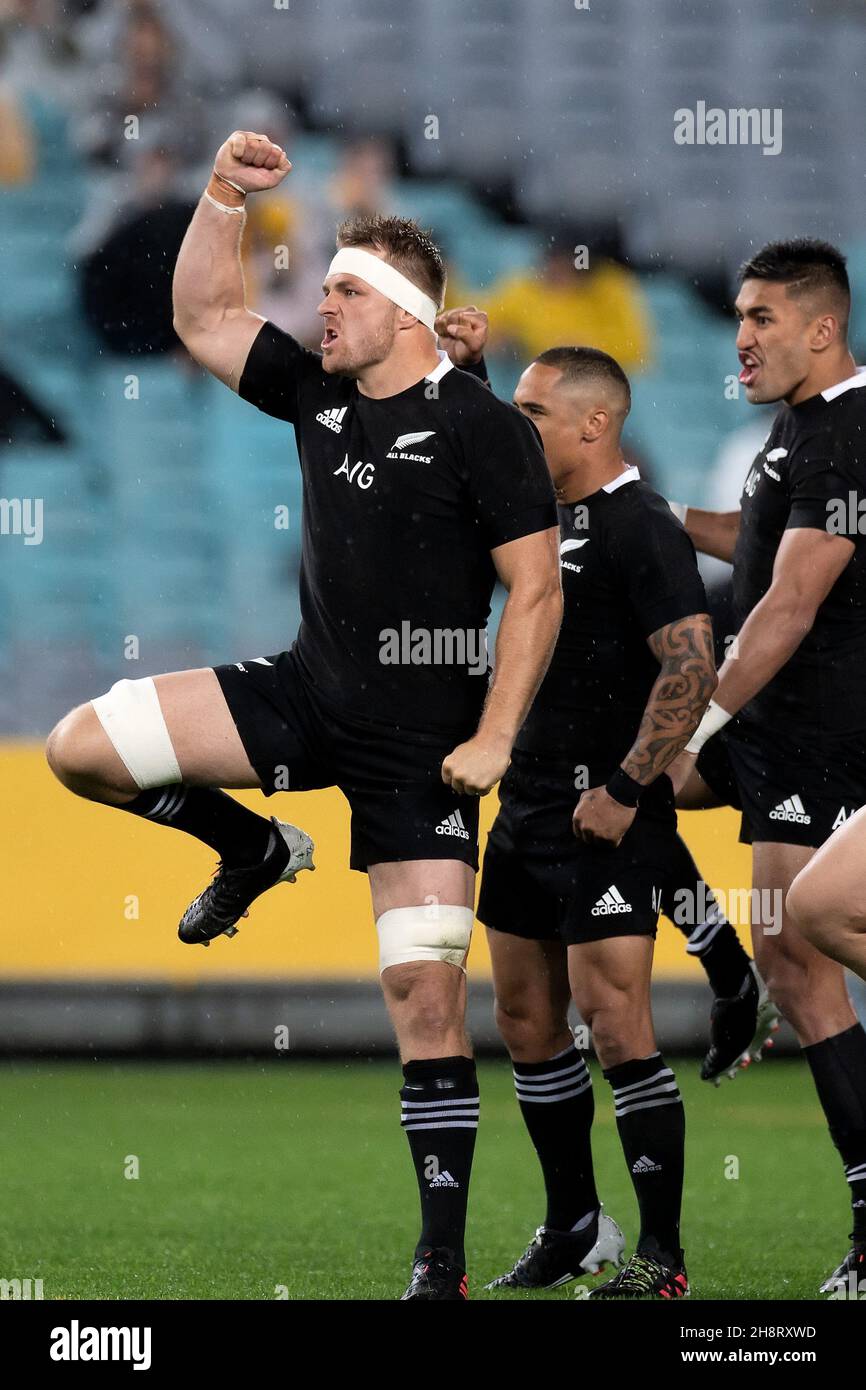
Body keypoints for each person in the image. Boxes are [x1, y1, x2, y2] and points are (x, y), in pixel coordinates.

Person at [45, 130, 563, 1302]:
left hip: (423, 751)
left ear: (405, 315)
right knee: (82, 748)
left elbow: (536, 591)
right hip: (303, 697)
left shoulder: (484, 427)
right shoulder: (316, 394)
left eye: (344, 290)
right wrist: (222, 194)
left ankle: (438, 1263)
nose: (320, 304)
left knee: (423, 995)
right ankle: (254, 848)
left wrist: (492, 735)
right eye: (324, 287)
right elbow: (201, 316)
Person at [438, 310, 716, 1297]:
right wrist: (472, 371)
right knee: (524, 1020)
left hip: (607, 817)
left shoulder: (644, 526)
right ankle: (572, 1226)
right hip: (525, 810)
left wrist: (628, 788)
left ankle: (663, 1259)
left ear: (594, 425)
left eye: (535, 413)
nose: (520, 429)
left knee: (616, 1021)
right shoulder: (541, 521)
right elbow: (479, 461)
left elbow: (691, 663)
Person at [666, 238, 866, 1295]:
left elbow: (787, 604)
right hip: (778, 727)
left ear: (821, 328)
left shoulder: (848, 435)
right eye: (737, 315)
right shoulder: (800, 426)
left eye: (761, 318)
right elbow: (753, 545)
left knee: (799, 953)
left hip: (822, 733)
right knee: (609, 797)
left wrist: (694, 724)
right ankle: (725, 975)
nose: (738, 337)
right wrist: (651, 521)